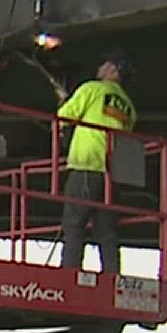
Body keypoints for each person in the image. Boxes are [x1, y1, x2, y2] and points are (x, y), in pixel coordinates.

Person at [49, 50, 136, 274]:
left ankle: (69, 274)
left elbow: (63, 118)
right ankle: (111, 276)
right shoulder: (128, 105)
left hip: (88, 164)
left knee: (74, 223)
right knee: (106, 230)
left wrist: (63, 106)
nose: (100, 66)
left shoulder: (92, 89)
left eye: (104, 63)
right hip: (113, 173)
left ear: (114, 70)